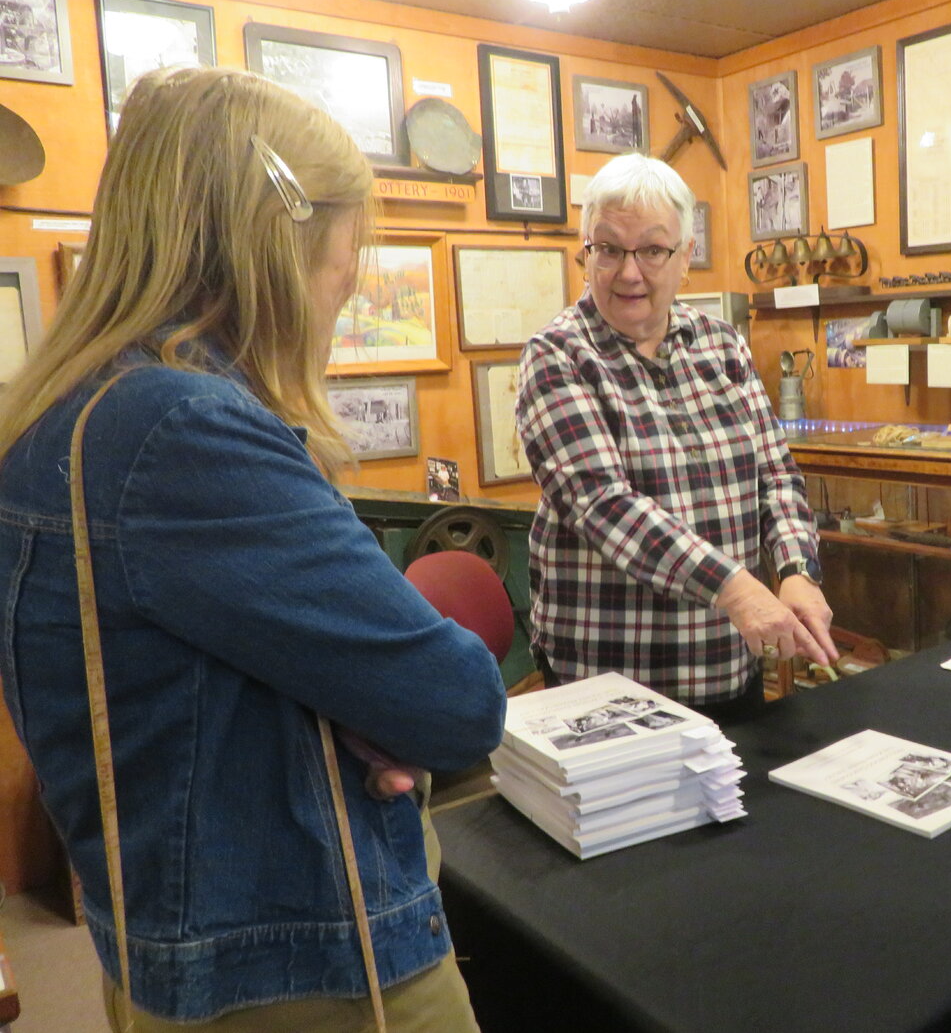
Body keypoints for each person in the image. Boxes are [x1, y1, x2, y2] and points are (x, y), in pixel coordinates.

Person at [0, 67, 505, 1030]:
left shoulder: (65, 414)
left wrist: (349, 689)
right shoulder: (181, 427)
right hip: (308, 968)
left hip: (173, 941)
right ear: (273, 255)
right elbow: (460, 701)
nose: (339, 306)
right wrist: (372, 700)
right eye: (342, 271)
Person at [517, 152, 836, 722]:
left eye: (652, 250)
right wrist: (739, 590)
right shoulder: (557, 356)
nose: (629, 272)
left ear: (687, 256)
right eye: (609, 248)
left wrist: (796, 570)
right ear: (584, 253)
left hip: (728, 667)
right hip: (611, 682)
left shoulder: (722, 346)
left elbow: (776, 475)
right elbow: (603, 506)